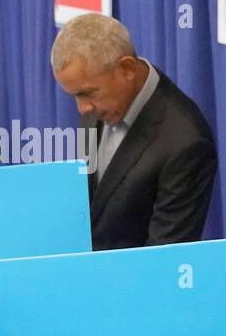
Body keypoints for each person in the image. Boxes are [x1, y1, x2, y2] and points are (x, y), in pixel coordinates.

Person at [50, 13, 217, 250]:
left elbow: (164, 257)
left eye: (87, 93)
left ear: (127, 68)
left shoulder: (186, 143)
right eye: (75, 95)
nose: (82, 108)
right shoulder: (99, 105)